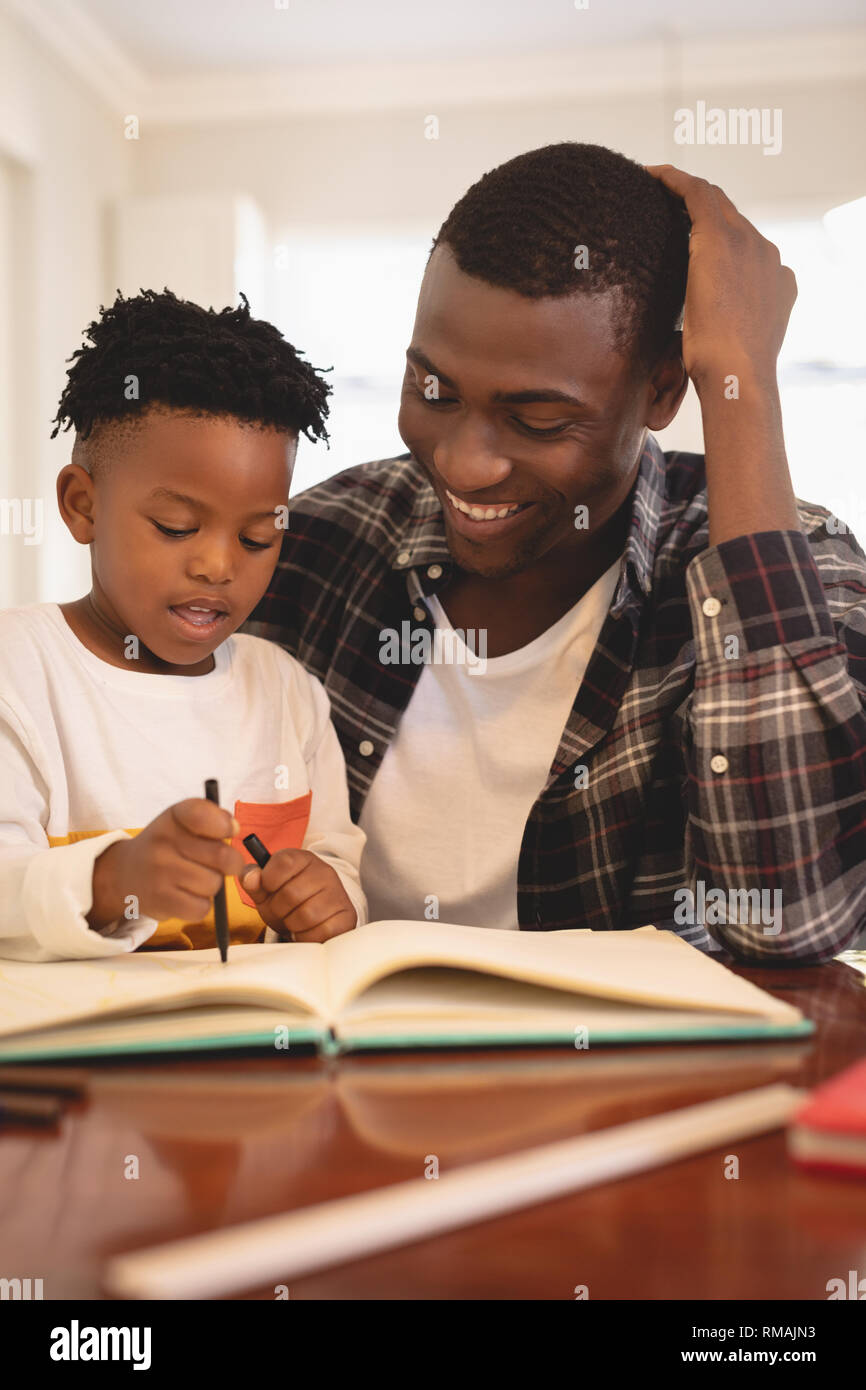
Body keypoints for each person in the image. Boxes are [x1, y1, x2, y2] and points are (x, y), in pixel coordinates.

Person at [245, 142, 866, 963]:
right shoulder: (314, 546)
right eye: (434, 391)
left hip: (630, 1091)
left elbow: (792, 922)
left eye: (538, 421)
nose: (465, 464)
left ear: (662, 390)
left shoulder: (797, 575)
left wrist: (741, 380)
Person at [0, 290, 366, 962]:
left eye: (258, 538)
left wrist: (326, 894)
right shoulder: (19, 671)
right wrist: (111, 881)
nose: (218, 566)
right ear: (83, 506)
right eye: (176, 528)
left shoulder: (287, 692)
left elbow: (335, 859)